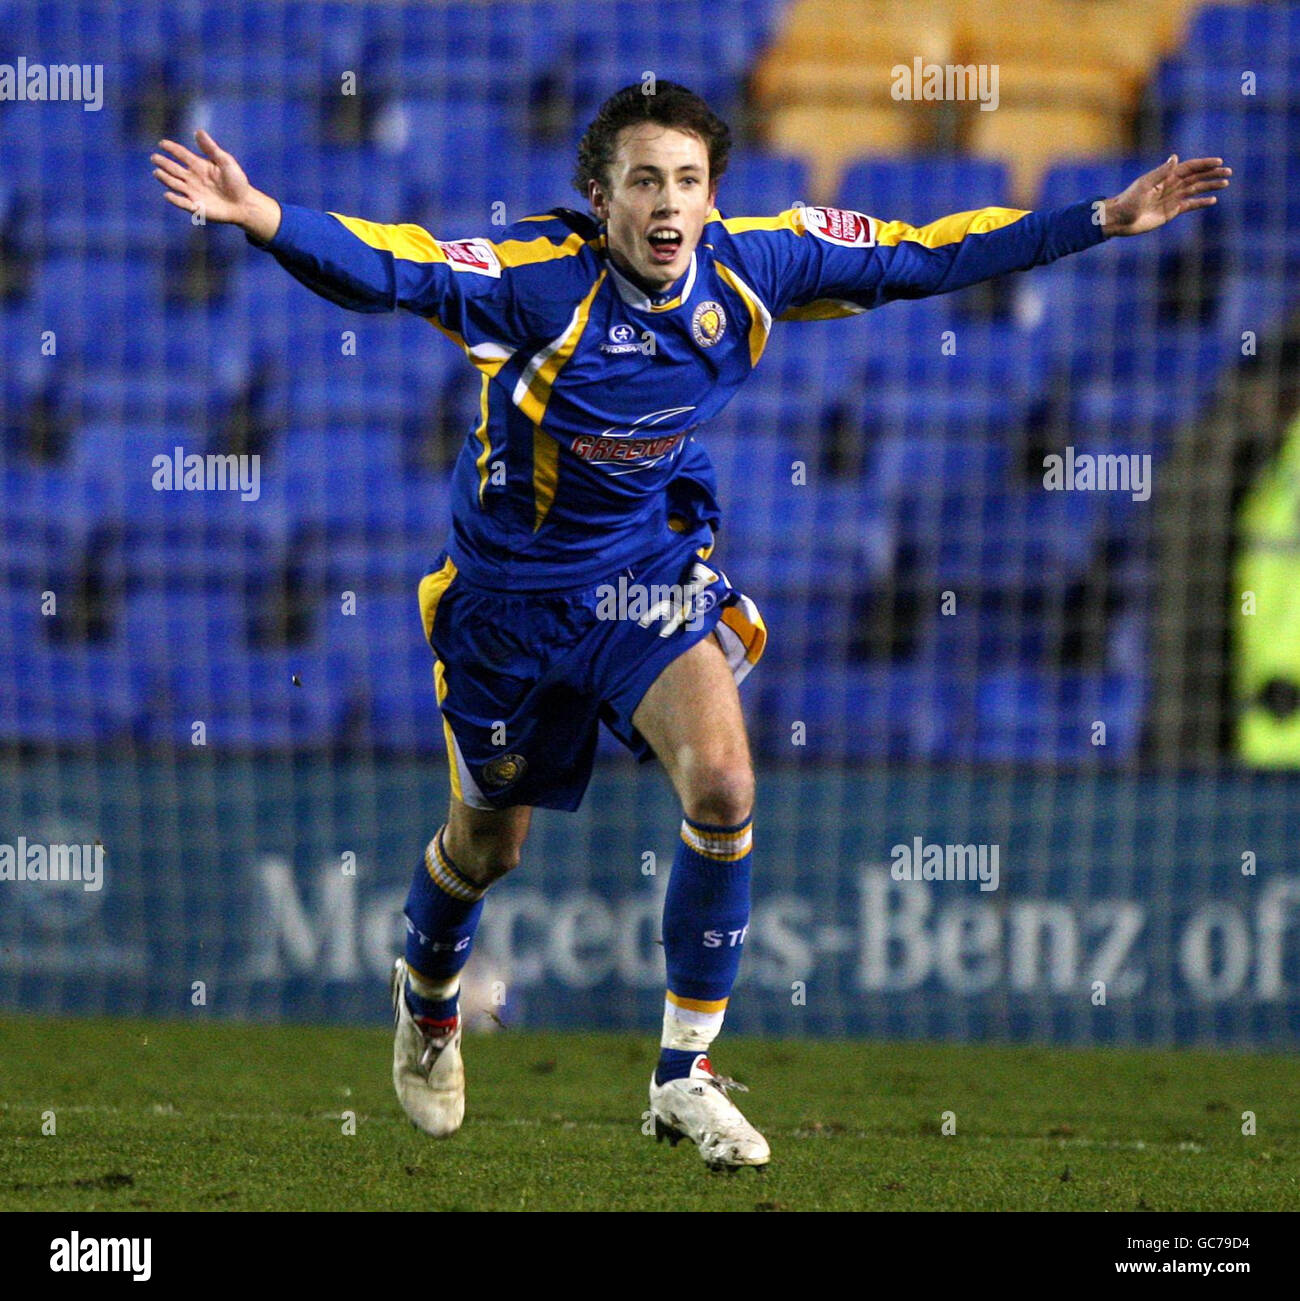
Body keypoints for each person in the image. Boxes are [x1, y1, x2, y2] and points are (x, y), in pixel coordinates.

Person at [151, 81, 1228, 1172]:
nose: (667, 204)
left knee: (723, 784)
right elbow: (402, 266)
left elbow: (922, 253)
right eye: (642, 182)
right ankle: (428, 995)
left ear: (713, 196)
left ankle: (684, 1072)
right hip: (508, 609)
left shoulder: (751, 268)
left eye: (687, 181)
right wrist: (265, 216)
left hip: (645, 578)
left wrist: (1101, 217)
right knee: (487, 846)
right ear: (599, 197)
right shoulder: (542, 282)